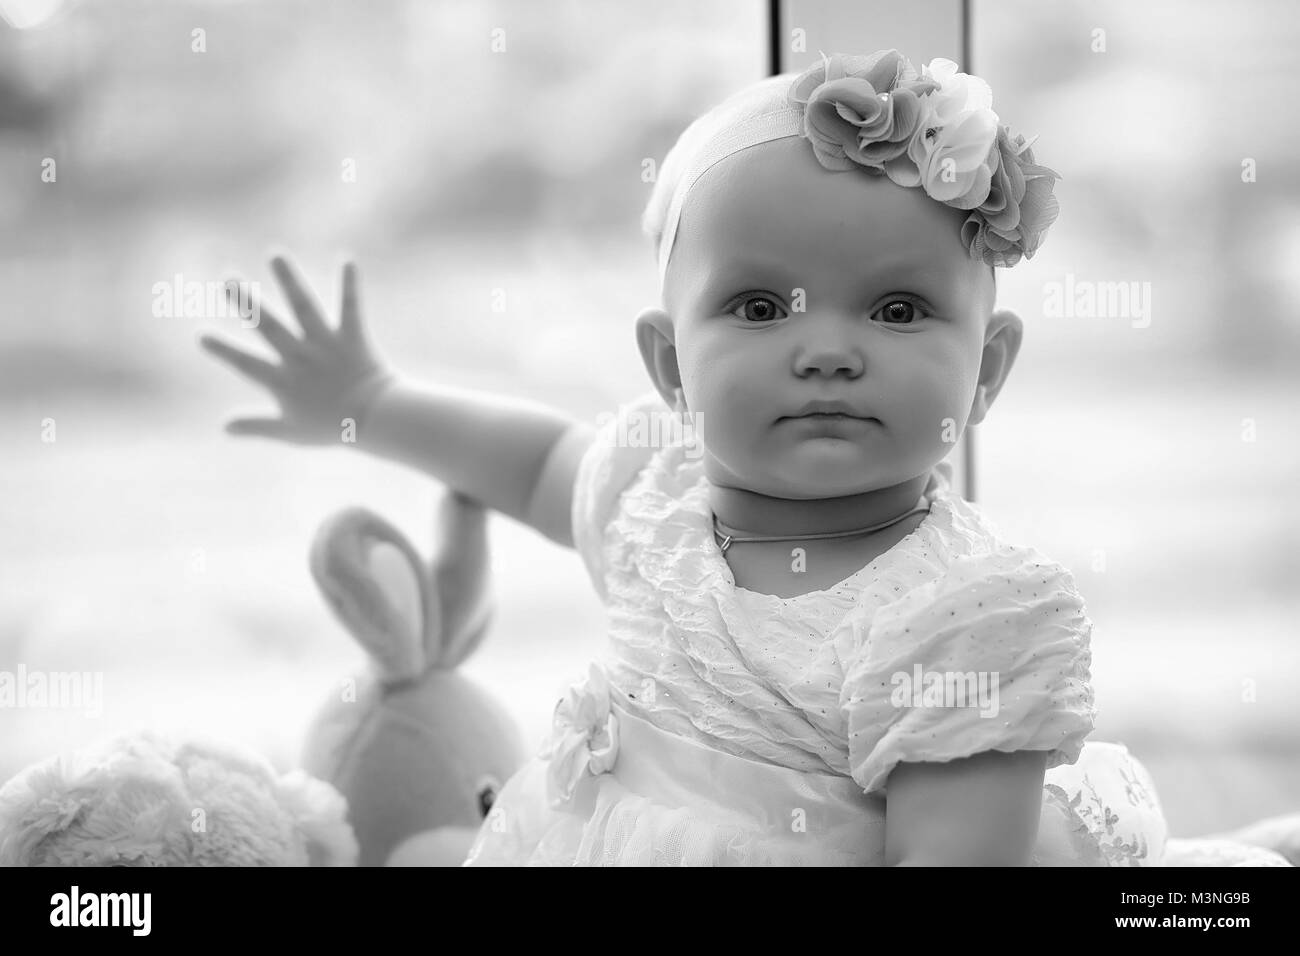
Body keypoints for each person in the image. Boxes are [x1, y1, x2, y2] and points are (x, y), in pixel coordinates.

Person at [200, 50, 1291, 866]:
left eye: (899, 307)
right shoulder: (656, 497)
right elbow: (530, 461)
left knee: (1215, 879)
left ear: (987, 370)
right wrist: (370, 401)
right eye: (761, 305)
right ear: (669, 367)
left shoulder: (963, 616)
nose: (825, 348)